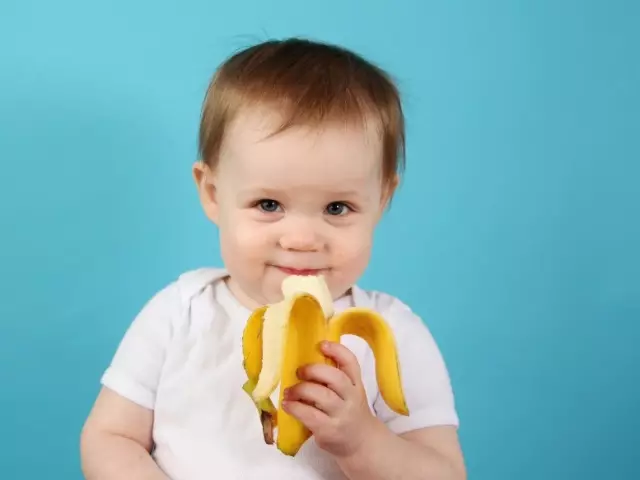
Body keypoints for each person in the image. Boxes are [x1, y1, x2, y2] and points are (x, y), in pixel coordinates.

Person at [80, 37, 466, 480]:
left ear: (382, 199)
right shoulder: (179, 312)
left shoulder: (390, 335)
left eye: (337, 208)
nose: (302, 239)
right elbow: (109, 437)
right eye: (268, 205)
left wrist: (363, 440)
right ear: (213, 193)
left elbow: (445, 473)